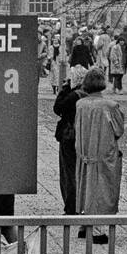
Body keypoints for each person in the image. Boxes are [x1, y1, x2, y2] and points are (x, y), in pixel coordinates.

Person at [74, 68, 124, 242]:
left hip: (85, 152)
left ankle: (84, 224)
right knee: (103, 190)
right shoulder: (110, 106)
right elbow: (118, 129)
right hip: (104, 154)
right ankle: (97, 229)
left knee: (85, 187)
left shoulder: (80, 105)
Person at [53, 64, 86, 215]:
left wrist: (64, 88)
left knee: (69, 172)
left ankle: (71, 205)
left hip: (69, 136)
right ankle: (81, 203)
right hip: (83, 135)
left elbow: (57, 107)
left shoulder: (72, 95)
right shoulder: (86, 94)